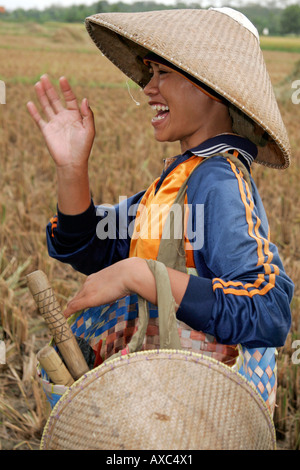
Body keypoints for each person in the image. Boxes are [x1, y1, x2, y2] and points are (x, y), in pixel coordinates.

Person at [27, 7, 294, 414]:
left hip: (203, 415)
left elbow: (267, 310)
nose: (148, 88)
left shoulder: (219, 181)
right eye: (149, 73)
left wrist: (141, 274)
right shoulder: (178, 182)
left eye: (162, 73)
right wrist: (71, 168)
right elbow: (87, 243)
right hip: (167, 406)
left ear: (210, 84)